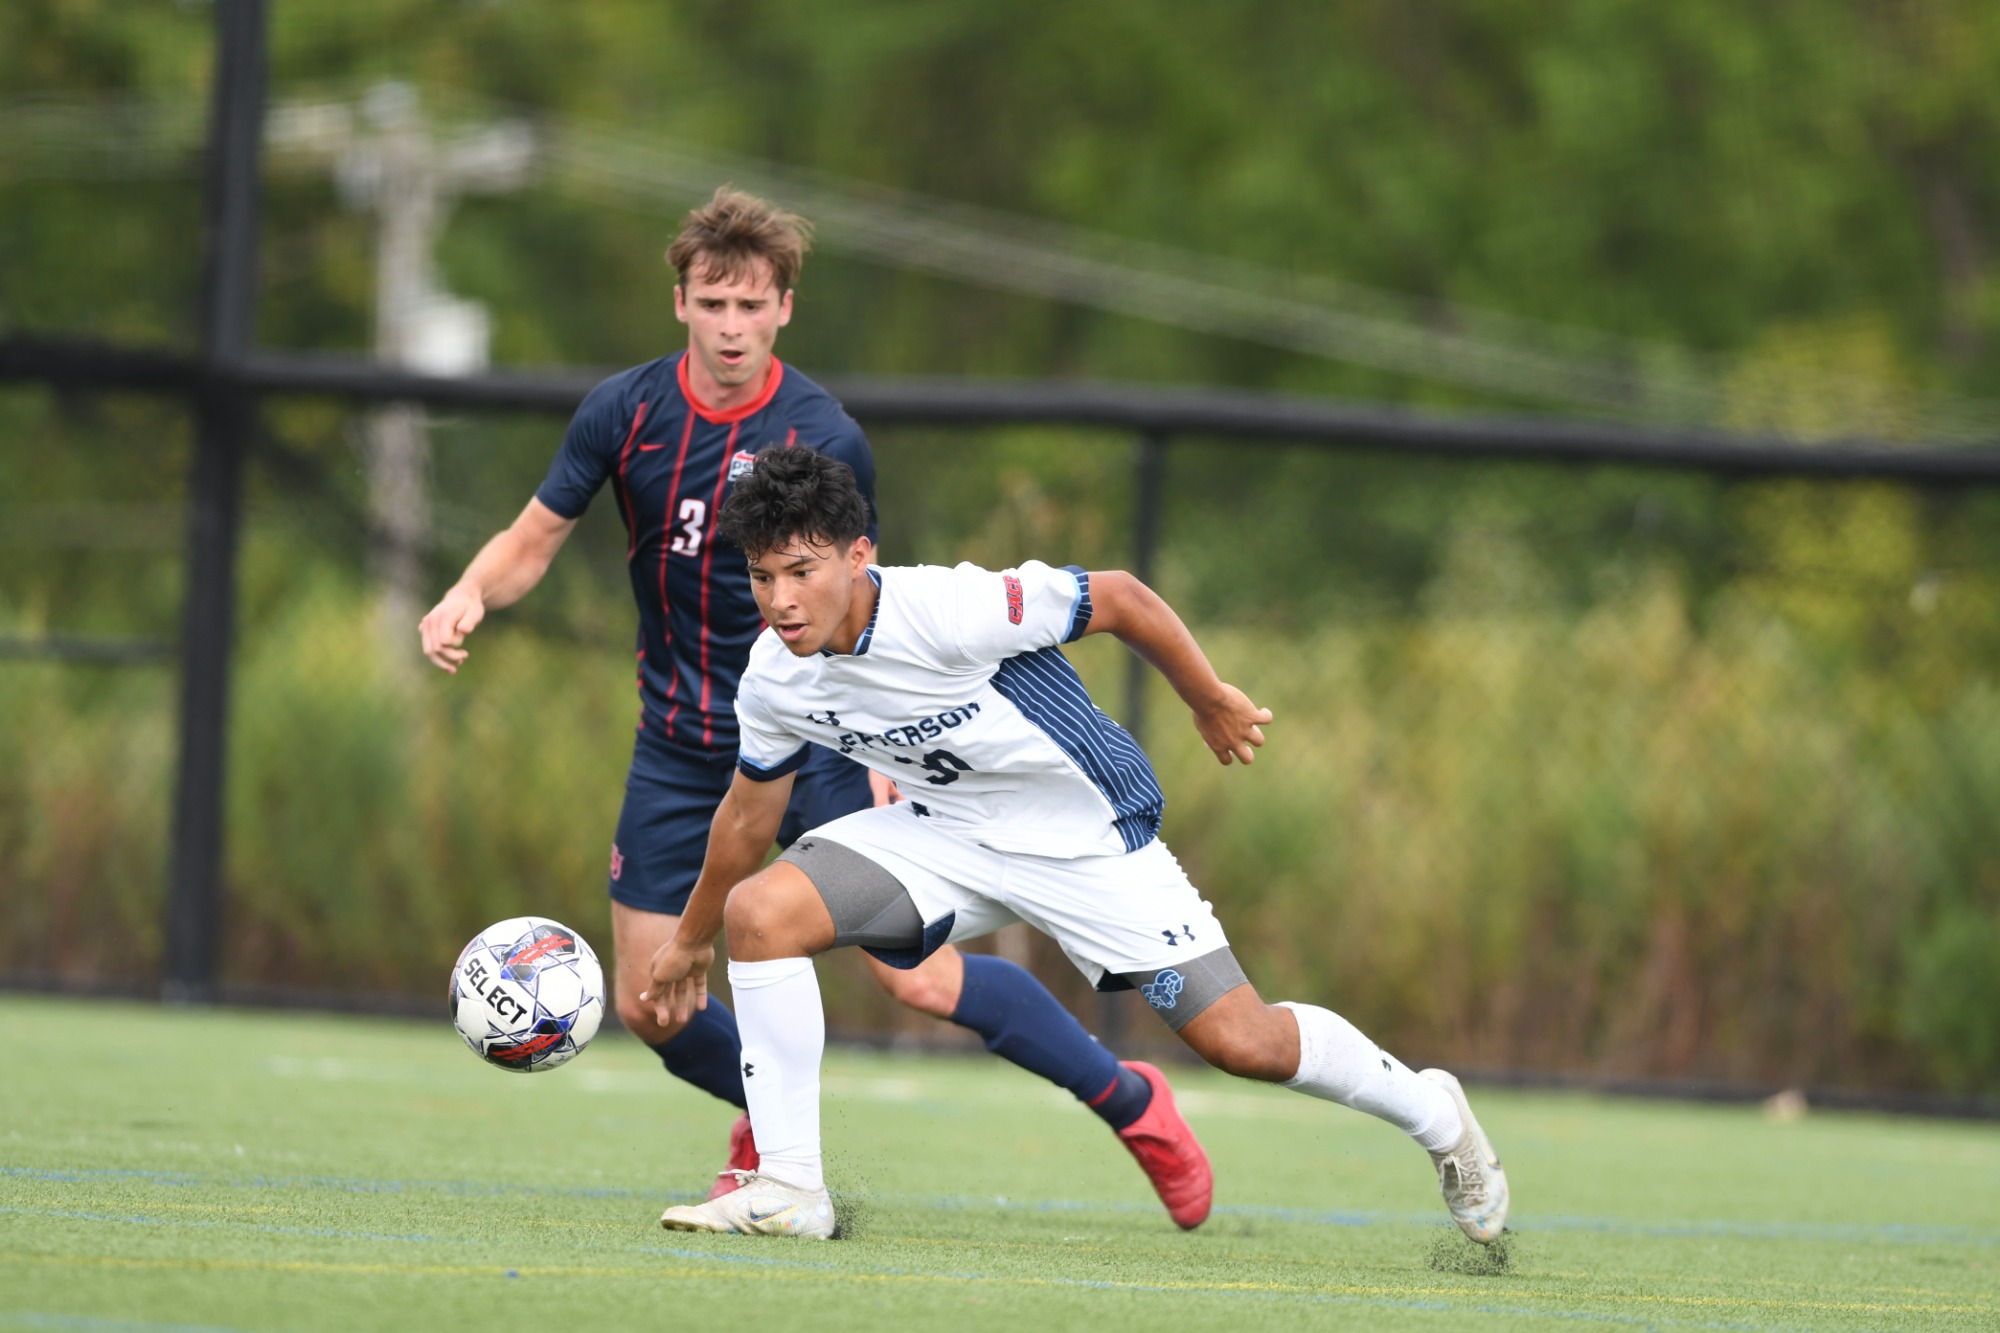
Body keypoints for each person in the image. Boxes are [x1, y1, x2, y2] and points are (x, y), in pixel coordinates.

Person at [418, 188, 1210, 1226]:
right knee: (651, 1001)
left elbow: (864, 607)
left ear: (784, 307)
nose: (732, 326)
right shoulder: (626, 411)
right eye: (713, 303)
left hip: (820, 741)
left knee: (917, 982)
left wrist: (887, 753)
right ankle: (771, 1127)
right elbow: (533, 535)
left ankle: (1127, 1098)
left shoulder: (823, 431)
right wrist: (470, 589)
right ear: (681, 303)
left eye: (752, 305)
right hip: (678, 741)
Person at [643, 446, 1511, 1243]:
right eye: (762, 577)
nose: (782, 599)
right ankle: (792, 1187)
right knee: (758, 913)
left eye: (803, 570)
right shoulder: (775, 674)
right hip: (946, 834)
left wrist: (1207, 697)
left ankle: (1437, 1115)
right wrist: (690, 938)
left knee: (1244, 1042)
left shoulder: (950, 608)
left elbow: (1123, 596)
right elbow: (749, 819)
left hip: (1085, 840)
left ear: (859, 555)